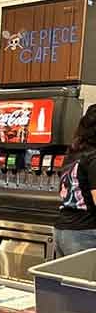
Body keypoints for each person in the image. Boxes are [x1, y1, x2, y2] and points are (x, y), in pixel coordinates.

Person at [54, 104, 96, 257]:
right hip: (85, 234)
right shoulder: (94, 158)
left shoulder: (72, 155)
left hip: (63, 230)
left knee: (66, 281)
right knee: (82, 281)